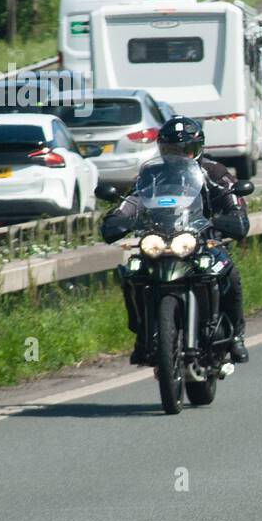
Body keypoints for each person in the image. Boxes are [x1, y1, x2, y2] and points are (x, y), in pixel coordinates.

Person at [100, 117, 251, 364]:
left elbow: (232, 200)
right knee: (131, 276)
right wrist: (118, 218)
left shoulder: (214, 172)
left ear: (198, 148)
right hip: (158, 242)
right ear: (161, 149)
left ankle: (236, 337)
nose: (179, 156)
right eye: (171, 151)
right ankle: (141, 336)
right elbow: (133, 200)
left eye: (185, 150)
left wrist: (233, 217)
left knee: (230, 275)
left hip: (202, 243)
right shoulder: (151, 175)